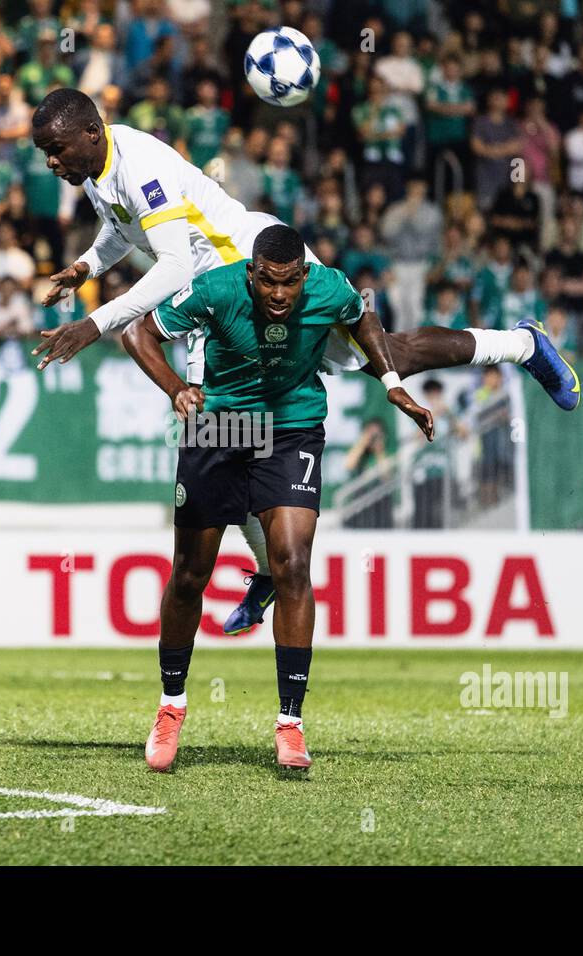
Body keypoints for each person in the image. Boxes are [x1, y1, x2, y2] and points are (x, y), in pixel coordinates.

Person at [27, 88, 580, 635]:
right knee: (226, 431)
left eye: (55, 149)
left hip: (253, 270)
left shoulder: (140, 163)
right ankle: (269, 570)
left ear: (90, 131)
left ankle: (524, 346)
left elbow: (171, 264)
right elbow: (124, 228)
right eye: (44, 152)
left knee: (387, 358)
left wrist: (94, 323)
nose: (51, 161)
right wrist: (85, 268)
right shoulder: (100, 167)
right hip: (220, 294)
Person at [121, 224, 433, 771]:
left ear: (303, 275)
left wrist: (393, 385)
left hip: (291, 430)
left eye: (289, 283)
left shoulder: (331, 287)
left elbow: (365, 320)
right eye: (268, 282)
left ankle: (291, 722)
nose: (279, 295)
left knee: (291, 565)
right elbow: (136, 334)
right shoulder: (216, 289)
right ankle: (171, 706)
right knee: (191, 573)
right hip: (217, 430)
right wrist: (177, 388)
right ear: (252, 272)